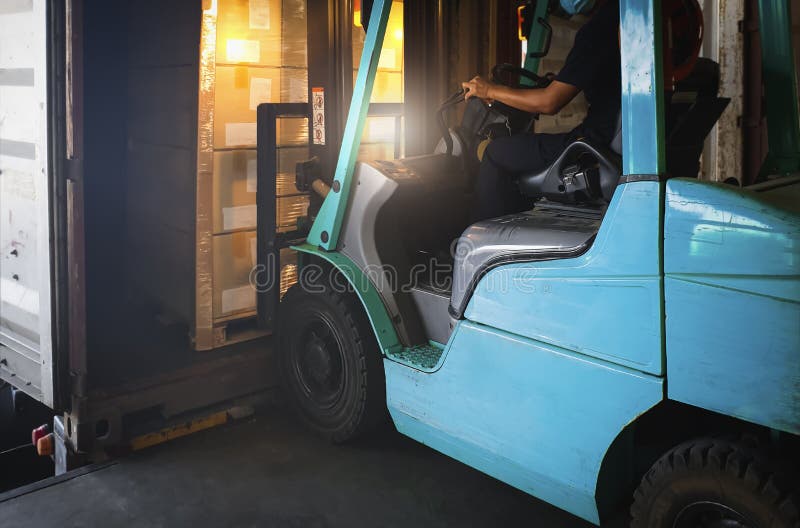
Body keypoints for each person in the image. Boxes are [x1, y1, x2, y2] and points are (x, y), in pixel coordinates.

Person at [462, 0, 621, 221]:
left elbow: (549, 103)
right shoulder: (623, 17)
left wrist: (489, 89)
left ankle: (473, 244)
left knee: (496, 153)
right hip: (610, 136)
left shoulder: (599, 28)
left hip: (593, 142)